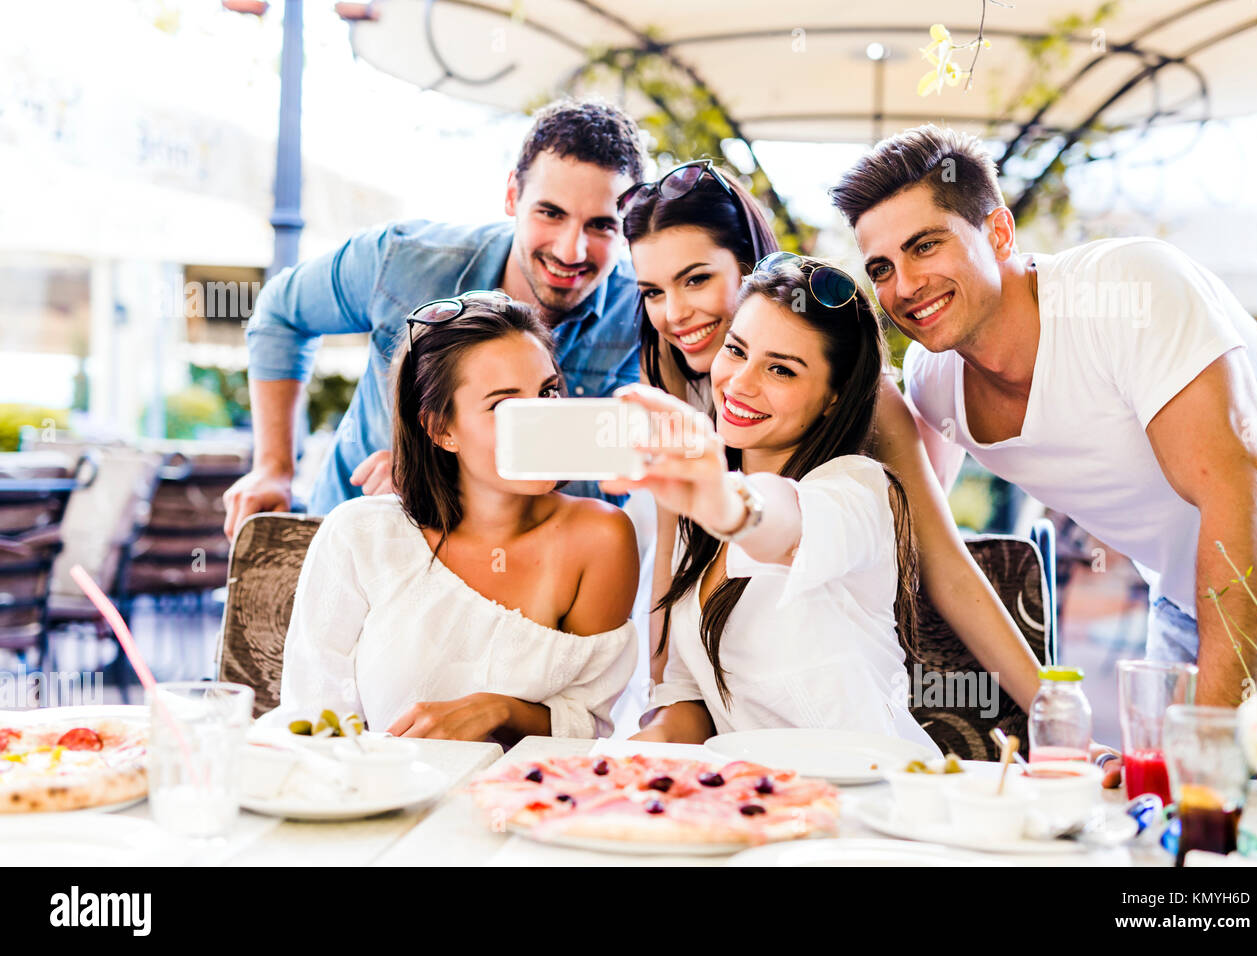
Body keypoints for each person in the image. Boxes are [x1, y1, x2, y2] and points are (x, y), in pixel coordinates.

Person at [832, 125, 1257, 709]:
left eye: (926, 245)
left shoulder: (1129, 288)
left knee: (1222, 789)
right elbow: (922, 539)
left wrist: (1208, 744)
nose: (903, 286)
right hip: (1189, 600)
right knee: (1157, 797)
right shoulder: (934, 380)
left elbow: (1255, 508)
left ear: (999, 232)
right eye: (880, 268)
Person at [622, 159, 1046, 724]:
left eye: (696, 279)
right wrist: (661, 711)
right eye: (653, 291)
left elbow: (928, 556)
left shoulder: (861, 442)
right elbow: (672, 613)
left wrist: (1052, 710)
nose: (674, 314)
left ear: (748, 270)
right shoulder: (674, 373)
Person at [222, 98, 646, 536]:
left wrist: (431, 478)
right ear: (511, 196)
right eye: (550, 213)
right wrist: (273, 466)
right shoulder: (403, 259)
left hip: (538, 581)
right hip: (354, 553)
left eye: (601, 226)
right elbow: (279, 313)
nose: (570, 250)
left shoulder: (646, 311)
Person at [272, 294, 640, 742]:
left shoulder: (601, 539)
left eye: (547, 392)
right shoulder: (358, 536)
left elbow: (588, 726)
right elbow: (313, 722)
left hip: (533, 801)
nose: (543, 419)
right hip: (377, 797)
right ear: (440, 429)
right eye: (505, 406)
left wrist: (499, 711)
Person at [607, 256, 939, 751]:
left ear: (834, 396)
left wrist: (724, 501)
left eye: (781, 369)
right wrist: (639, 752)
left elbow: (783, 523)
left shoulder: (861, 490)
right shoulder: (696, 516)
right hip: (757, 804)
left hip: (874, 802)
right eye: (736, 351)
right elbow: (691, 701)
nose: (740, 383)